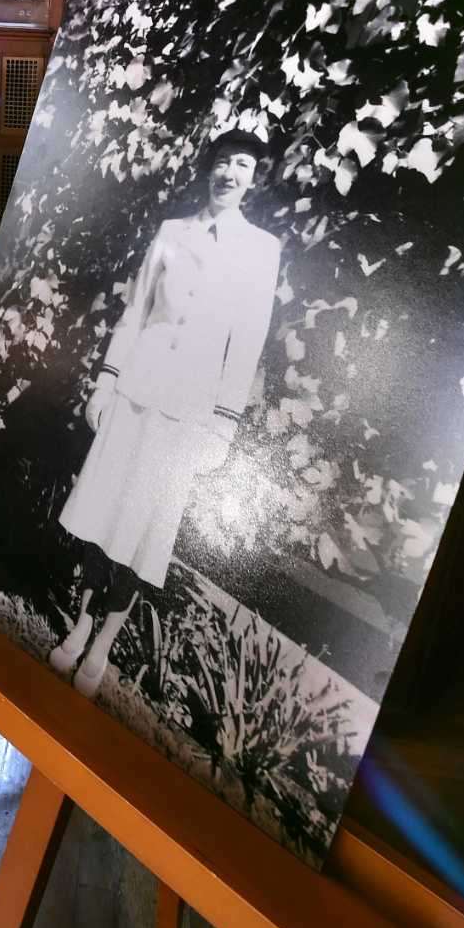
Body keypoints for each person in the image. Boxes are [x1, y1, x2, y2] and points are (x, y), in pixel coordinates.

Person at [46, 128, 282, 697]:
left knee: (144, 531)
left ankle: (103, 645)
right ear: (209, 170)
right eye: (223, 162)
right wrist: (106, 383)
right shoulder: (172, 232)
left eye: (243, 165)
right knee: (102, 519)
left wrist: (222, 427)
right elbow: (134, 313)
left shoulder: (262, 250)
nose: (230, 173)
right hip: (135, 393)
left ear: (255, 178)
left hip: (188, 412)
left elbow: (246, 344)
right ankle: (79, 629)